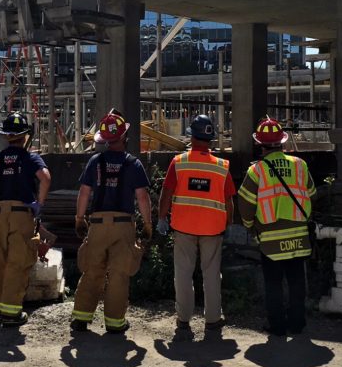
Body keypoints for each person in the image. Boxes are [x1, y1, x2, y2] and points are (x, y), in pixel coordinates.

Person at [71, 110, 152, 334]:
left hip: (97, 223)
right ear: (124, 137)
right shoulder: (133, 164)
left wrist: (79, 219)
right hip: (123, 225)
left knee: (92, 270)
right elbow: (142, 197)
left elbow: (84, 192)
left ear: (105, 140)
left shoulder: (95, 162)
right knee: (118, 273)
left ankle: (80, 318)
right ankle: (115, 323)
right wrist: (147, 224)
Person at [0, 112, 51, 327]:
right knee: (17, 261)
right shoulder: (30, 157)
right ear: (25, 136)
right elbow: (45, 178)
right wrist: (39, 204)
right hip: (21, 213)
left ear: (6, 136)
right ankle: (12, 313)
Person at [237, 117, 316, 339]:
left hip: (270, 238)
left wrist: (250, 225)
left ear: (260, 145)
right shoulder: (300, 165)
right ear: (282, 142)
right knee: (296, 281)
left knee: (273, 283)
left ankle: (278, 327)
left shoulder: (257, 171)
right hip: (299, 235)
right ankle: (297, 324)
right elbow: (311, 194)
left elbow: (244, 203)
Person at [157, 115, 235, 336]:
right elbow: (229, 200)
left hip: (183, 226)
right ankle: (212, 320)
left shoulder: (179, 162)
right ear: (210, 139)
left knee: (183, 273)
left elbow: (166, 193)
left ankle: (183, 321)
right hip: (213, 228)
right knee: (211, 274)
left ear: (191, 136)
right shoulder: (222, 166)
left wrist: (162, 217)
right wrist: (227, 223)